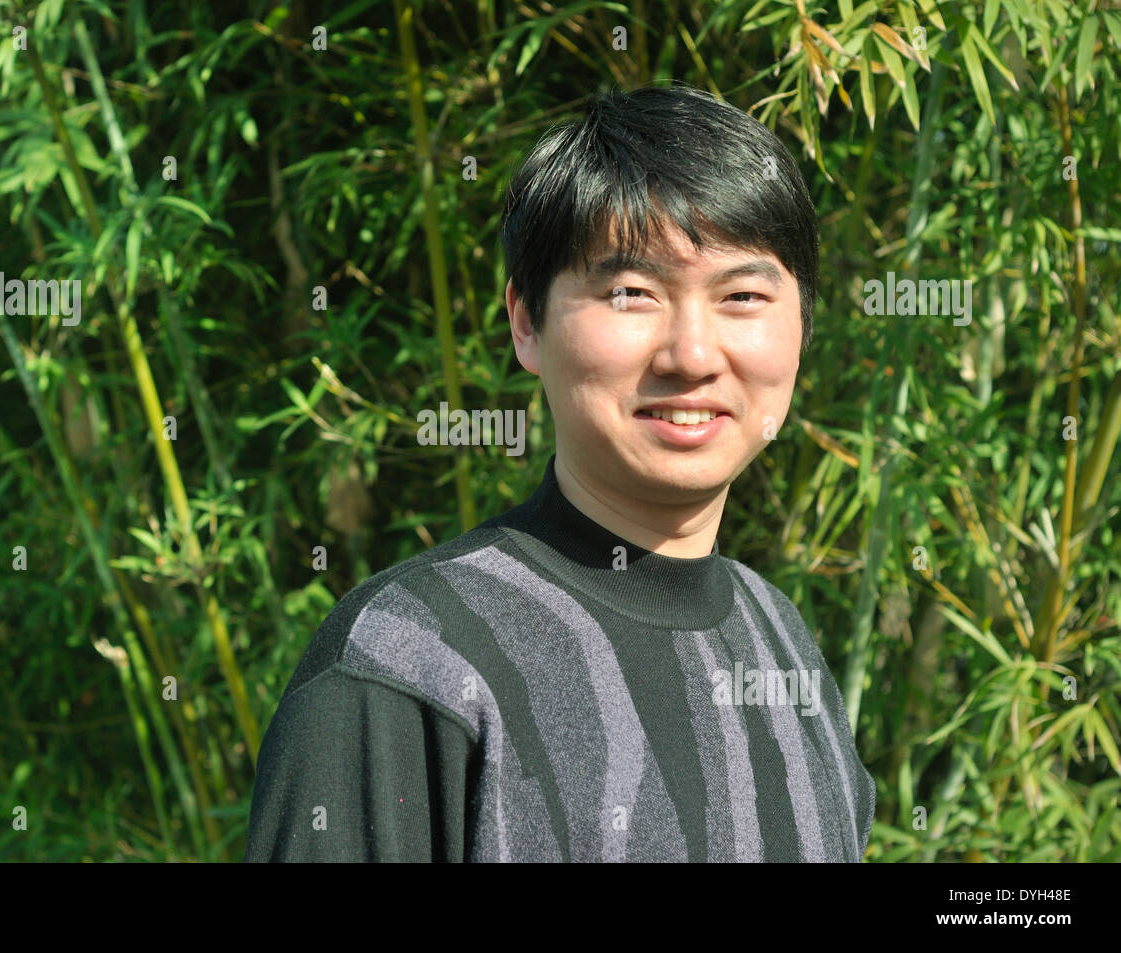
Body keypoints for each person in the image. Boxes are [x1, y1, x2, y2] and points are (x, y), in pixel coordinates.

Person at [244, 82, 875, 862]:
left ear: (802, 326)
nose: (693, 355)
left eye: (741, 295)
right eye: (631, 293)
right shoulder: (407, 665)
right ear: (525, 322)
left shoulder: (780, 640)